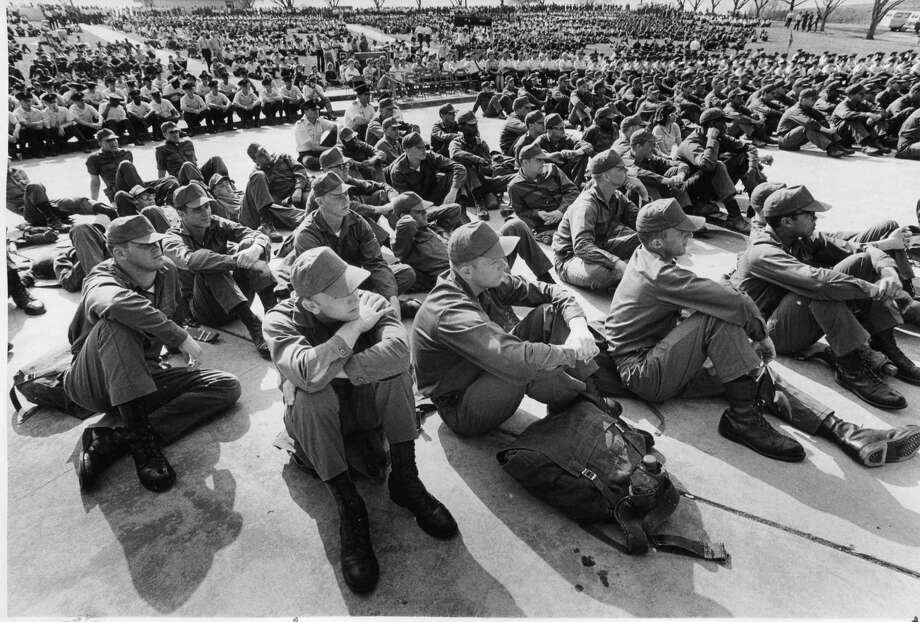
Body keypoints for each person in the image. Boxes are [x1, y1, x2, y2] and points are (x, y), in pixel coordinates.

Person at [606, 198, 920, 466]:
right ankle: (742, 420)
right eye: (682, 231)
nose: (690, 234)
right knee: (719, 318)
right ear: (657, 241)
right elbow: (731, 301)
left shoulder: (650, 256)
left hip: (660, 357)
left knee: (755, 374)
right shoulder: (659, 272)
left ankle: (846, 432)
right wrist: (760, 336)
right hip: (643, 370)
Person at [263, 247, 457, 594]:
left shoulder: (370, 301)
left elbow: (399, 353)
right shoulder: (279, 321)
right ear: (311, 305)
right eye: (341, 293)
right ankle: (349, 507)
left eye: (352, 284)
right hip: (320, 430)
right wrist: (353, 329)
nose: (354, 297)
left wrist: (320, 372)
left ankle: (406, 480)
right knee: (310, 398)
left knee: (393, 374)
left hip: (367, 414)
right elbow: (307, 375)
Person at [64, 215, 242, 493]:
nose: (156, 247)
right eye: (144, 245)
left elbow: (173, 313)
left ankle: (118, 439)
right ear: (120, 253)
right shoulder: (100, 277)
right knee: (116, 325)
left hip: (143, 374)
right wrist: (180, 337)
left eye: (156, 241)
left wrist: (179, 348)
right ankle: (143, 448)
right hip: (94, 381)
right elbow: (115, 303)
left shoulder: (166, 270)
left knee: (226, 385)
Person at [731, 185, 920, 410]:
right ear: (787, 221)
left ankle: (886, 345)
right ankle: (850, 368)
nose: (816, 218)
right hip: (770, 332)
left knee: (859, 261)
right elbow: (817, 282)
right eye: (810, 214)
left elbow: (862, 249)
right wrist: (873, 289)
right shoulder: (762, 252)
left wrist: (888, 271)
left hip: (791, 313)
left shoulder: (800, 238)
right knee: (820, 288)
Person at [412, 221, 599, 437]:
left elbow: (551, 291)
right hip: (460, 405)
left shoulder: (480, 280)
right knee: (523, 366)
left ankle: (588, 394)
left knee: (548, 314)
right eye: (495, 261)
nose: (504, 264)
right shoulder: (450, 312)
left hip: (480, 368)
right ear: (467, 271)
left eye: (503, 256)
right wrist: (570, 352)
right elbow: (515, 359)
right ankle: (580, 401)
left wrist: (578, 327)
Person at [162, 183, 275, 359]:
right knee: (207, 262)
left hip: (236, 301)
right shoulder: (172, 238)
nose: (206, 212)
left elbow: (255, 235)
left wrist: (255, 248)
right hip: (206, 310)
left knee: (249, 245)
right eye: (197, 209)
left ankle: (273, 312)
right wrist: (236, 261)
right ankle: (254, 326)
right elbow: (191, 261)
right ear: (181, 214)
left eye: (207, 206)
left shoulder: (216, 223)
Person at [287, 172, 417, 318]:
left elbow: (375, 263)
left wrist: (393, 300)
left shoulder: (357, 222)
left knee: (405, 273)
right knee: (313, 306)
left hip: (355, 282)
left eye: (346, 194)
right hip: (328, 290)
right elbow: (318, 284)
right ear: (320, 201)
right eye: (337, 196)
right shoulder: (307, 235)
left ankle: (377, 307)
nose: (345, 200)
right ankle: (374, 308)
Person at [552, 149, 640, 291]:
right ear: (606, 177)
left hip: (600, 247)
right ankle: (630, 270)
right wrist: (617, 263)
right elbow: (582, 246)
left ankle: (631, 269)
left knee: (645, 238)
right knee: (602, 274)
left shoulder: (616, 196)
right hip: (571, 258)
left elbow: (642, 224)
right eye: (621, 168)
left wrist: (643, 194)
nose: (626, 171)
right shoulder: (586, 205)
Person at [677, 107, 764, 233]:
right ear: (712, 125)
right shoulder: (691, 143)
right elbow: (708, 165)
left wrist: (752, 168)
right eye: (723, 122)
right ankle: (734, 217)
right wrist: (711, 139)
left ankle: (756, 205)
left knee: (743, 158)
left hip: (706, 186)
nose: (726, 126)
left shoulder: (720, 136)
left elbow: (749, 148)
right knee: (718, 165)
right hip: (688, 192)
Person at [448, 111, 517, 221]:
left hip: (483, 181)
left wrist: (486, 168)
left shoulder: (481, 143)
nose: (475, 127)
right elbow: (455, 154)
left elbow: (488, 167)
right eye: (471, 125)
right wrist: (478, 160)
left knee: (516, 177)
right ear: (461, 127)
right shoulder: (456, 143)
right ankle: (479, 203)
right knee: (468, 167)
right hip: (466, 187)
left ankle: (514, 203)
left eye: (475, 124)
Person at [506, 142, 579, 244]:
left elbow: (573, 191)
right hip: (542, 223)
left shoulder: (552, 169)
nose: (543, 163)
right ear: (525, 163)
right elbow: (520, 211)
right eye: (538, 160)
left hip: (566, 215)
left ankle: (557, 234)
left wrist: (560, 211)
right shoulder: (514, 186)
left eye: (543, 159)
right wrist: (538, 214)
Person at [7, 161, 115, 228]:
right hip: (29, 212)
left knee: (75, 201)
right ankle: (54, 221)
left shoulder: (19, 172)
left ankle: (109, 211)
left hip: (45, 204)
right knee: (34, 185)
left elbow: (36, 195)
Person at [240, 142, 309, 239]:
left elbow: (300, 171)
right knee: (303, 217)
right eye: (261, 155)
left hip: (297, 192)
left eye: (264, 151)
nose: (265, 154)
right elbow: (265, 199)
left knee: (314, 202)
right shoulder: (257, 175)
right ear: (255, 160)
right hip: (280, 202)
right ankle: (267, 224)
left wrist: (298, 188)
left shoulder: (283, 157)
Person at [391, 192, 450, 292]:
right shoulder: (404, 235)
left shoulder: (430, 227)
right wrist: (410, 218)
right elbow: (407, 224)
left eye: (425, 210)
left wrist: (425, 216)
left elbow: (454, 209)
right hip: (446, 275)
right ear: (404, 216)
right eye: (420, 211)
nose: (425, 213)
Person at [623, 129, 692, 209]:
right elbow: (638, 173)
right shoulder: (625, 160)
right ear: (638, 146)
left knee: (675, 171)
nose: (654, 148)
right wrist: (665, 180)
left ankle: (685, 211)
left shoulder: (650, 158)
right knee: (646, 184)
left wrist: (680, 175)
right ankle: (658, 214)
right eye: (651, 144)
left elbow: (680, 164)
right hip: (632, 205)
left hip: (656, 196)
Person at [776, 88, 852, 158]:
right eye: (812, 99)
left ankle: (838, 145)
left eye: (816, 99)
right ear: (802, 99)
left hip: (795, 138)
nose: (815, 101)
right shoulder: (795, 110)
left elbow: (822, 117)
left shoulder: (807, 108)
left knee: (822, 122)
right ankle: (830, 149)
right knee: (808, 127)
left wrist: (831, 126)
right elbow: (808, 122)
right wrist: (827, 130)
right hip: (784, 140)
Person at [532, 113, 594, 188]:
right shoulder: (541, 140)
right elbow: (530, 151)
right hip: (548, 177)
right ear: (549, 130)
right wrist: (550, 156)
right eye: (560, 128)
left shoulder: (568, 138)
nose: (563, 130)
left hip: (568, 175)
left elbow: (588, 146)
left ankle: (574, 186)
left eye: (563, 127)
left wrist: (575, 153)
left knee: (583, 154)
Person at [830, 84, 889, 156]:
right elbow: (846, 115)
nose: (864, 96)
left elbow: (881, 111)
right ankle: (866, 146)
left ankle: (875, 143)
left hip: (854, 133)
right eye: (861, 94)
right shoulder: (843, 105)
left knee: (878, 118)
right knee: (852, 119)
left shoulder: (863, 103)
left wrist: (877, 116)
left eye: (865, 93)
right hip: (840, 135)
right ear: (850, 95)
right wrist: (867, 114)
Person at [294, 100, 338, 169]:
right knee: (310, 162)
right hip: (306, 154)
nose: (317, 111)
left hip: (319, 150)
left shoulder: (319, 121)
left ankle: (330, 160)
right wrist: (333, 149)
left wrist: (339, 143)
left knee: (336, 131)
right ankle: (334, 160)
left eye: (317, 109)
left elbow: (336, 127)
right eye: (314, 110)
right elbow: (314, 148)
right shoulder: (300, 125)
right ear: (306, 111)